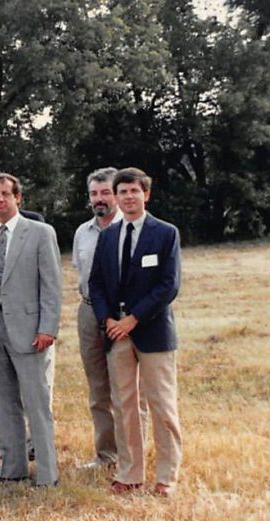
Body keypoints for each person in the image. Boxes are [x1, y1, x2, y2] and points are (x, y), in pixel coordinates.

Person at [0, 173, 62, 487]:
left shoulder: (40, 233)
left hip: (30, 330)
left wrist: (48, 327)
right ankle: (12, 469)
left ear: (18, 198)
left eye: (6, 194)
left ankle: (47, 475)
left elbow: (52, 286)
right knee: (4, 403)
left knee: (36, 403)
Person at [88, 167, 182, 497]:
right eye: (123, 191)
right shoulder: (108, 236)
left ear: (146, 194)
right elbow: (96, 284)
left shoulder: (165, 233)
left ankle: (167, 477)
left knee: (162, 405)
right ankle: (129, 473)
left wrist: (134, 319)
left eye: (134, 191)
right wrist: (108, 320)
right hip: (116, 333)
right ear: (116, 197)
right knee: (124, 404)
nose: (129, 196)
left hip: (153, 332)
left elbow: (169, 286)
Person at [72, 168, 148, 470]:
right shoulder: (82, 232)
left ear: (116, 194)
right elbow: (84, 276)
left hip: (124, 315)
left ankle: (133, 453)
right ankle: (105, 456)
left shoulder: (132, 227)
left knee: (129, 389)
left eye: (105, 192)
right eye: (94, 194)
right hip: (90, 312)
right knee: (98, 388)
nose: (99, 199)